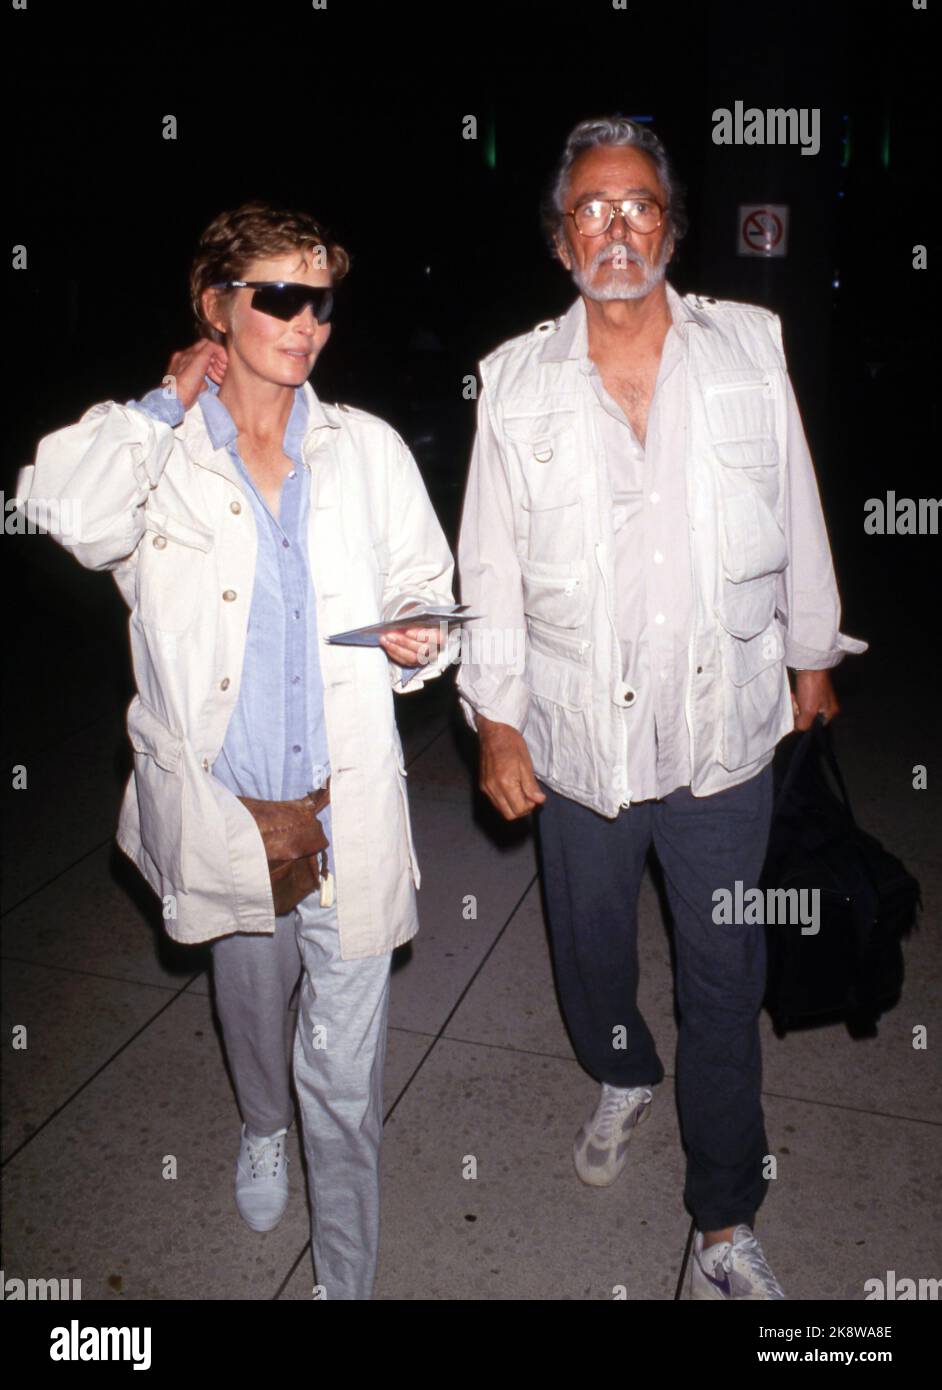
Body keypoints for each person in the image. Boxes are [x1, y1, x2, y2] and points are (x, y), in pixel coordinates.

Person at [455, 118, 867, 1300]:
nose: (618, 228)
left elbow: (797, 508)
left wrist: (810, 652)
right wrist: (496, 718)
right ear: (560, 237)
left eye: (639, 205)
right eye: (593, 208)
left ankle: (726, 1214)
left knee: (725, 977)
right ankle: (621, 1067)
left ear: (672, 226)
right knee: (589, 961)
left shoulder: (746, 352)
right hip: (578, 739)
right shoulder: (518, 380)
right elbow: (485, 564)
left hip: (721, 733)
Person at [16, 200, 457, 1300]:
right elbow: (54, 507)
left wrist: (417, 638)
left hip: (343, 807)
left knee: (347, 1081)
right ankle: (261, 1125)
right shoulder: (159, 459)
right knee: (252, 1008)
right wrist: (163, 400)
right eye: (279, 297)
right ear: (217, 306)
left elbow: (431, 597)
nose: (308, 323)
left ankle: (344, 1279)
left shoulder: (369, 451)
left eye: (321, 301)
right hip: (228, 812)